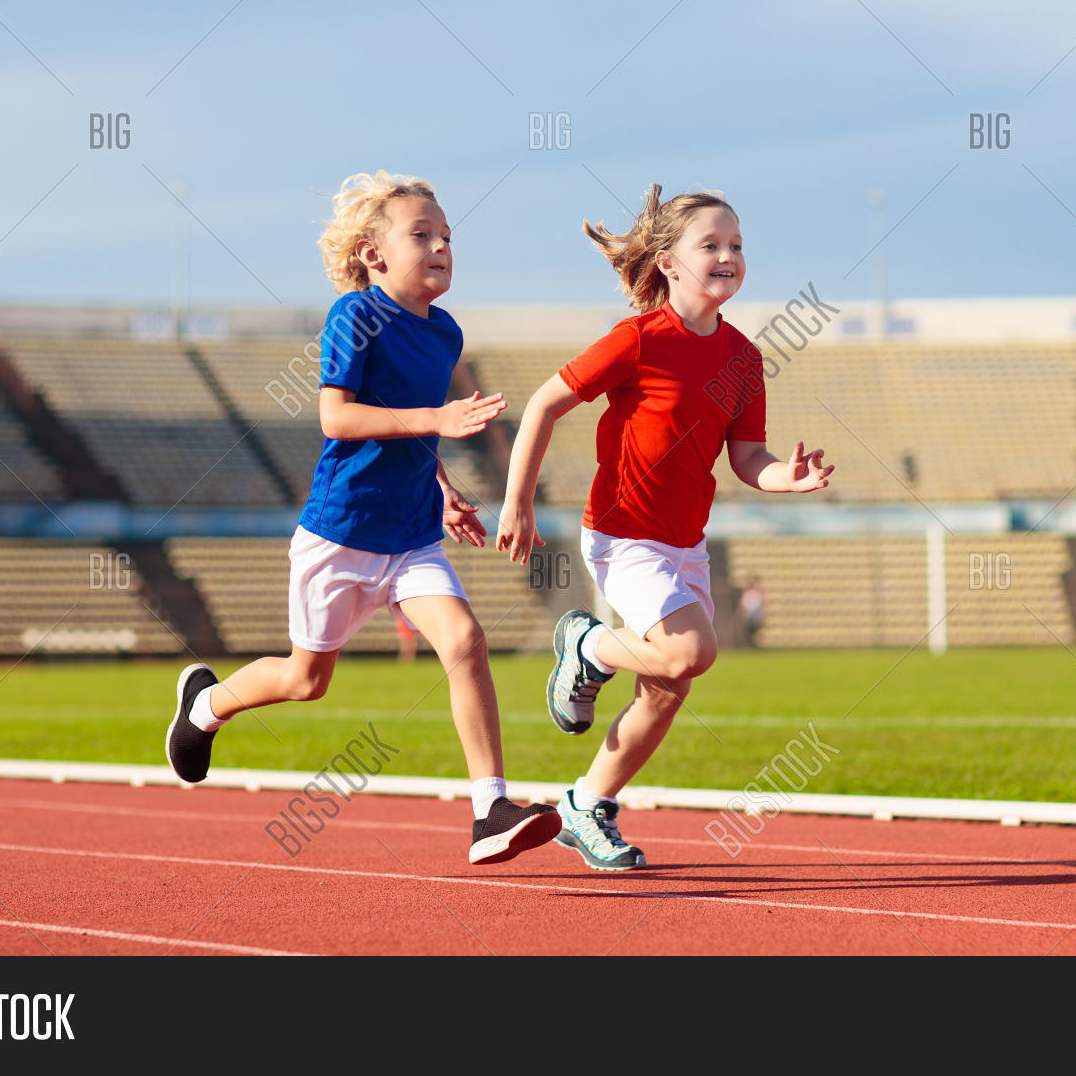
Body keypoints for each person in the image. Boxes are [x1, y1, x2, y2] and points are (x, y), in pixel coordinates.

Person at [167, 170, 561, 865]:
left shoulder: (445, 335)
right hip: (340, 533)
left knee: (466, 642)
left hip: (411, 536)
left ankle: (489, 809)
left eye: (447, 236)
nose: (441, 246)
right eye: (422, 235)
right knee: (304, 681)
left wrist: (441, 489)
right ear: (374, 254)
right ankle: (203, 708)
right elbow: (337, 415)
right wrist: (436, 418)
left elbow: (415, 432)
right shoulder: (356, 316)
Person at [496, 184, 833, 871]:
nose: (728, 256)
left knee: (668, 688)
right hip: (623, 535)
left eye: (737, 245)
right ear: (669, 263)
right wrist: (518, 502)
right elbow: (544, 403)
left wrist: (785, 478)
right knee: (689, 654)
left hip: (686, 543)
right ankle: (589, 648)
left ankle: (585, 806)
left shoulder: (742, 357)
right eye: (710, 244)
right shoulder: (638, 340)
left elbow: (747, 458)